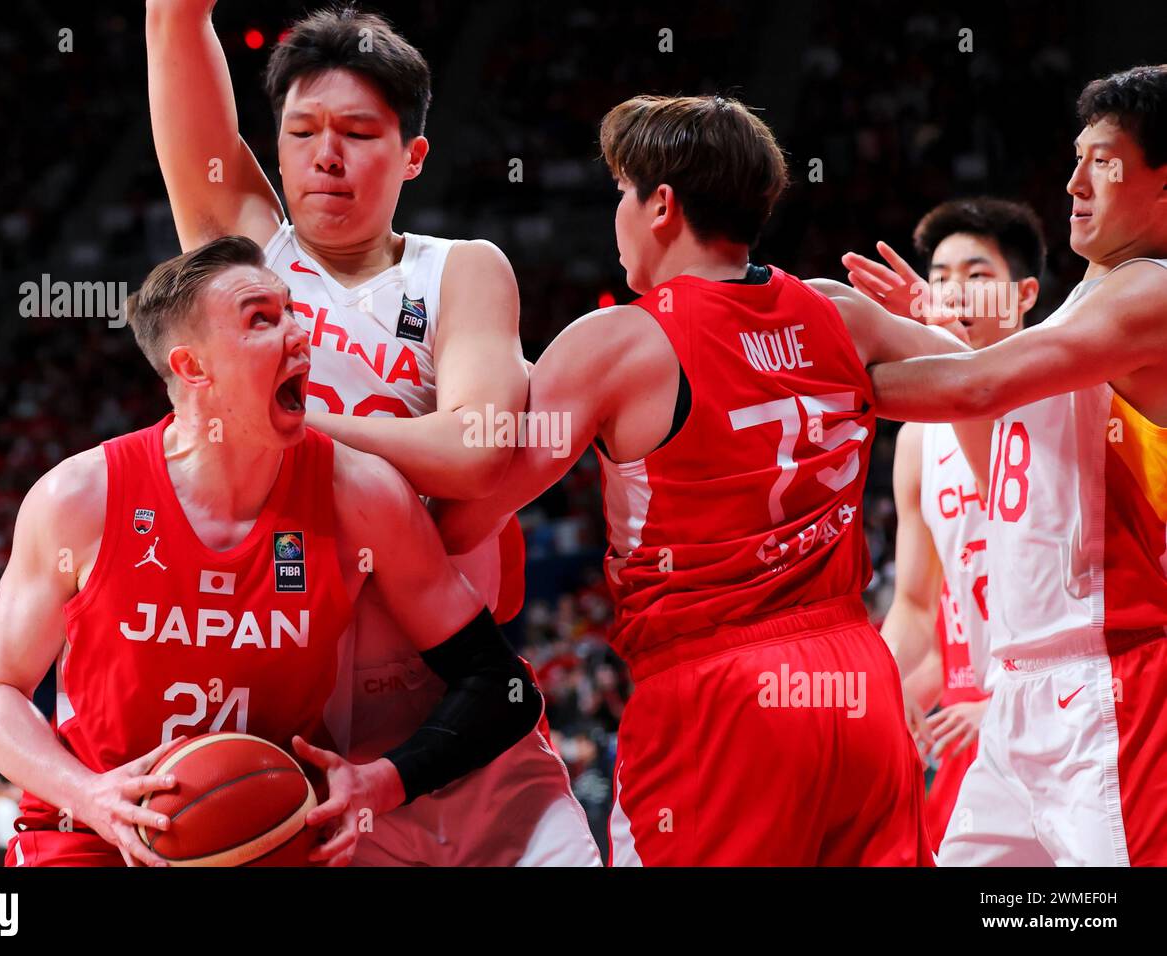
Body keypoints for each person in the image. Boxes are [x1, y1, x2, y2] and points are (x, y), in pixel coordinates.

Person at [436, 93, 972, 865]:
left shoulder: (616, 343)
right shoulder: (837, 311)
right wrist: (936, 314)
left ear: (661, 205)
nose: (614, 210)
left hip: (718, 696)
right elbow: (981, 386)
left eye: (622, 190)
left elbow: (464, 514)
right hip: (857, 678)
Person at [145, 0, 598, 866]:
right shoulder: (246, 261)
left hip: (469, 727)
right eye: (303, 129)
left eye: (357, 132)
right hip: (317, 760)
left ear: (412, 154)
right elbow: (172, 23)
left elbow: (476, 449)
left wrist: (284, 417)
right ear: (274, 145)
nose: (326, 155)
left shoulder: (462, 268)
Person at [0, 237, 543, 867]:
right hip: (94, 834)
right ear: (192, 368)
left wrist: (383, 779)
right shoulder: (79, 497)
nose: (299, 333)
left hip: (269, 835)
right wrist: (92, 794)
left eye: (293, 312)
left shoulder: (361, 495)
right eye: (261, 320)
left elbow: (499, 683)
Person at [868, 65, 1167, 866]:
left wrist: (810, 368)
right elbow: (987, 427)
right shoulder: (1087, 304)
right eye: (1073, 157)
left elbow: (978, 385)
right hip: (1022, 685)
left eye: (1101, 162)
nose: (1072, 181)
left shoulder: (1149, 296)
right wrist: (930, 337)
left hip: (1117, 680)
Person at [847, 198, 1045, 850]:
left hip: (1068, 703)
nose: (954, 291)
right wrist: (878, 690)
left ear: (1024, 297)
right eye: (941, 275)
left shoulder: (1064, 399)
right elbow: (916, 608)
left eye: (977, 276)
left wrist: (1012, 701)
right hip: (969, 720)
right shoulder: (917, 441)